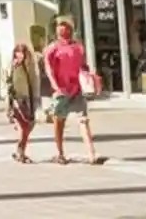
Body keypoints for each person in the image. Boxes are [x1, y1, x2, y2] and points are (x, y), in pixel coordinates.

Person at [43, 19, 103, 165]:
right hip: (63, 90)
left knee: (80, 120)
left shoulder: (76, 47)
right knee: (61, 121)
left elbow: (83, 66)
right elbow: (49, 70)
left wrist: (88, 80)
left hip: (74, 89)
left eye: (65, 29)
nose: (63, 32)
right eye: (61, 29)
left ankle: (90, 153)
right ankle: (63, 153)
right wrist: (55, 87)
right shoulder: (53, 49)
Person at [4, 43, 41, 164]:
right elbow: (6, 83)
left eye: (22, 52)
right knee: (23, 126)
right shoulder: (11, 66)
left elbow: (34, 83)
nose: (20, 55)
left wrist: (36, 100)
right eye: (17, 52)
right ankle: (21, 152)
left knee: (28, 126)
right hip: (16, 100)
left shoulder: (30, 66)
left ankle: (20, 151)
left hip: (28, 100)